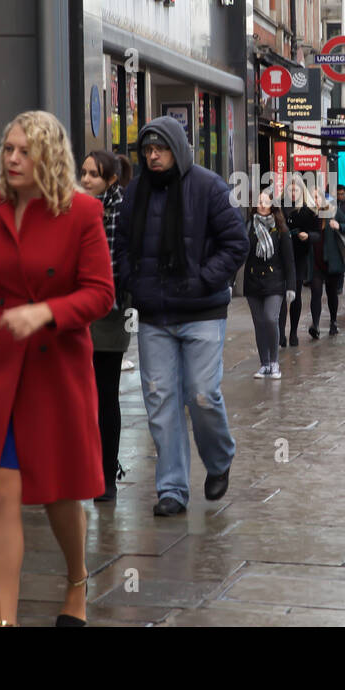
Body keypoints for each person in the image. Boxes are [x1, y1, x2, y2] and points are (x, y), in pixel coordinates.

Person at [0, 111, 113, 627]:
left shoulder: (81, 213)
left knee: (59, 492)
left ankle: (77, 581)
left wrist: (47, 313)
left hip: (55, 370)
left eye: (23, 151)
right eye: (8, 149)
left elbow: (102, 293)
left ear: (48, 157)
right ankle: (6, 620)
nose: (12, 159)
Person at [114, 117, 248, 517]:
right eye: (148, 150)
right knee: (160, 399)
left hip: (202, 310)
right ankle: (171, 488)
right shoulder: (135, 192)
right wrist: (132, 282)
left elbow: (235, 242)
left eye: (161, 149)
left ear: (178, 149)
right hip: (154, 314)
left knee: (203, 394)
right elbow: (121, 246)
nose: (153, 156)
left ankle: (219, 459)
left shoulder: (209, 187)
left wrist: (203, 280)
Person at [80, 150, 130, 503]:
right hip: (75, 311)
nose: (85, 180)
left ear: (110, 179)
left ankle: (106, 474)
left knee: (105, 394)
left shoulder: (120, 209)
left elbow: (121, 259)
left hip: (110, 312)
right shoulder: (76, 208)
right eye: (83, 172)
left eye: (93, 175)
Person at [244, 191, 295, 378]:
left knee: (270, 319)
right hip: (252, 282)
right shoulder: (249, 226)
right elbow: (239, 253)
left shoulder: (281, 230)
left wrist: (291, 287)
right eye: (259, 202)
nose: (262, 205)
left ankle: (274, 362)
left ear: (272, 205)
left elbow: (289, 261)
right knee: (259, 323)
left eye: (266, 202)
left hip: (274, 282)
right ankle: (264, 363)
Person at [280, 176, 319, 348]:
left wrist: (308, 236)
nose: (293, 193)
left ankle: (293, 332)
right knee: (280, 296)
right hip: (279, 257)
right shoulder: (279, 207)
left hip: (299, 256)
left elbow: (317, 233)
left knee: (295, 295)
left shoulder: (308, 211)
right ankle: (281, 333)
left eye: (296, 190)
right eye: (290, 189)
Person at [309, 193, 345, 335]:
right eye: (312, 198)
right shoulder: (309, 215)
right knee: (315, 292)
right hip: (315, 262)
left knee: (332, 293)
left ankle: (333, 322)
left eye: (317, 198)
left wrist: (339, 225)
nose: (315, 201)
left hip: (332, 261)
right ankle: (315, 325)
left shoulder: (333, 212)